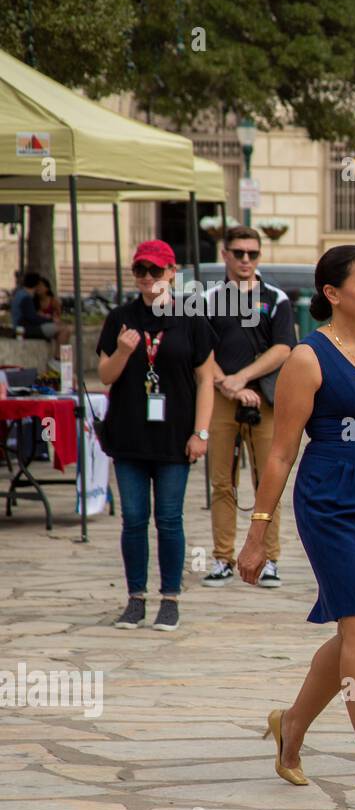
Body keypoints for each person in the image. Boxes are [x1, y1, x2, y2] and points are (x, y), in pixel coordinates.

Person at [237, 245, 355, 810]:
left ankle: (291, 726)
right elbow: (280, 454)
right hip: (331, 499)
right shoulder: (307, 357)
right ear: (332, 294)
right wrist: (257, 533)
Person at [96, 241, 215, 632]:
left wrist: (201, 431)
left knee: (169, 518)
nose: (148, 277)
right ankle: (135, 598)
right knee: (133, 519)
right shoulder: (121, 318)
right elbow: (105, 376)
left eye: (156, 270)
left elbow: (205, 379)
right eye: (140, 270)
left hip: (175, 436)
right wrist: (123, 353)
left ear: (172, 272)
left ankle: (170, 598)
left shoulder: (191, 318)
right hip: (129, 433)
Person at [201, 225, 295, 588]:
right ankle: (222, 557)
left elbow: (284, 347)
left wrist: (243, 378)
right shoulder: (208, 298)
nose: (244, 260)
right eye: (237, 252)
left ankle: (269, 557)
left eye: (252, 253)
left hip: (267, 400)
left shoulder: (276, 297)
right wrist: (230, 386)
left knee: (267, 480)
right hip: (223, 399)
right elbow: (201, 352)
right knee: (222, 482)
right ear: (224, 254)